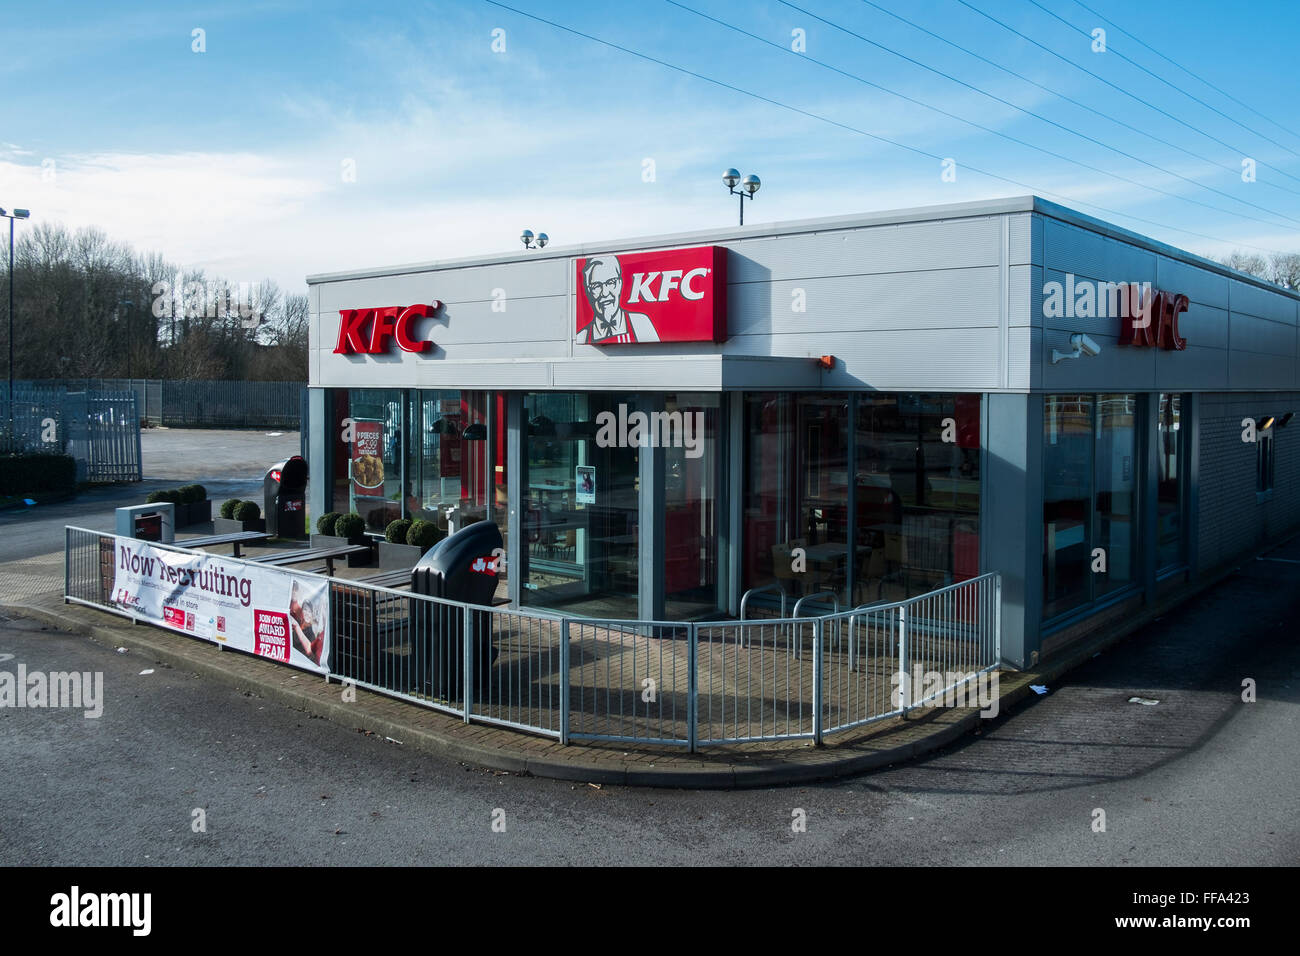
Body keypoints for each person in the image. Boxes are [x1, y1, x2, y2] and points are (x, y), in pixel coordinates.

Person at [575, 255, 660, 344]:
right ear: (589, 290)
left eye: (611, 282)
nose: (605, 293)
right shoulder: (582, 336)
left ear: (620, 284)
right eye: (596, 286)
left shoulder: (640, 323)